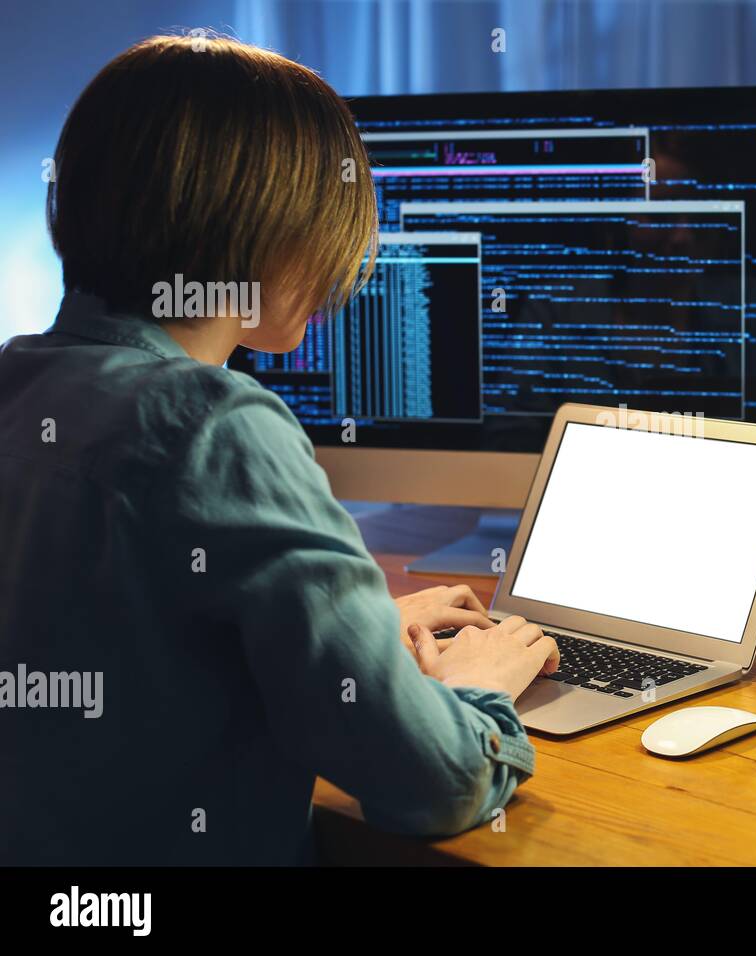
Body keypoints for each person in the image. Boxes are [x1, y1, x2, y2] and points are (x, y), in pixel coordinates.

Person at [0, 35, 558, 865]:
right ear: (262, 229)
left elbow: (120, 637)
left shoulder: (19, 381)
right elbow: (433, 780)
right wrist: (477, 684)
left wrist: (358, 634)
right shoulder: (216, 424)